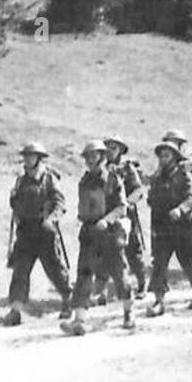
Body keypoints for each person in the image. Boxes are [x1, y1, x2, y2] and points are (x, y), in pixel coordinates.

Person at [61, 140, 135, 335]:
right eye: (87, 157)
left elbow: (121, 207)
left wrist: (107, 220)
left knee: (119, 273)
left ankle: (128, 312)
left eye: (94, 156)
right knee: (84, 274)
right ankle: (79, 320)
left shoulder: (113, 179)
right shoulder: (84, 181)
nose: (90, 161)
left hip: (110, 233)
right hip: (89, 234)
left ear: (102, 157)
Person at [1, 142, 72, 326]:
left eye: (31, 156)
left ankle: (68, 301)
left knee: (55, 269)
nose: (27, 159)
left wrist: (51, 220)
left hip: (44, 231)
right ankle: (15, 311)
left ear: (39, 158)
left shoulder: (49, 179)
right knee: (20, 271)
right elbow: (15, 202)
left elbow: (60, 203)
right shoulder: (21, 180)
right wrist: (15, 206)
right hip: (25, 232)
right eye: (25, 156)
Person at [144, 140, 192, 316]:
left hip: (182, 226)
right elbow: (151, 197)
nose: (163, 159)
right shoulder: (157, 177)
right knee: (159, 263)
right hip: (162, 226)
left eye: (167, 155)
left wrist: (180, 209)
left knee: (187, 260)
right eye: (161, 156)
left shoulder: (183, 174)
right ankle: (159, 300)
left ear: (174, 157)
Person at [103, 134, 148, 298]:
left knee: (133, 251)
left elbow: (138, 190)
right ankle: (113, 287)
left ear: (121, 150)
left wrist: (127, 203)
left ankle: (142, 284)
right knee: (108, 251)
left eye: (113, 148)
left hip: (126, 216)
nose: (109, 151)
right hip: (108, 215)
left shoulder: (127, 168)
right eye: (107, 147)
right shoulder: (102, 168)